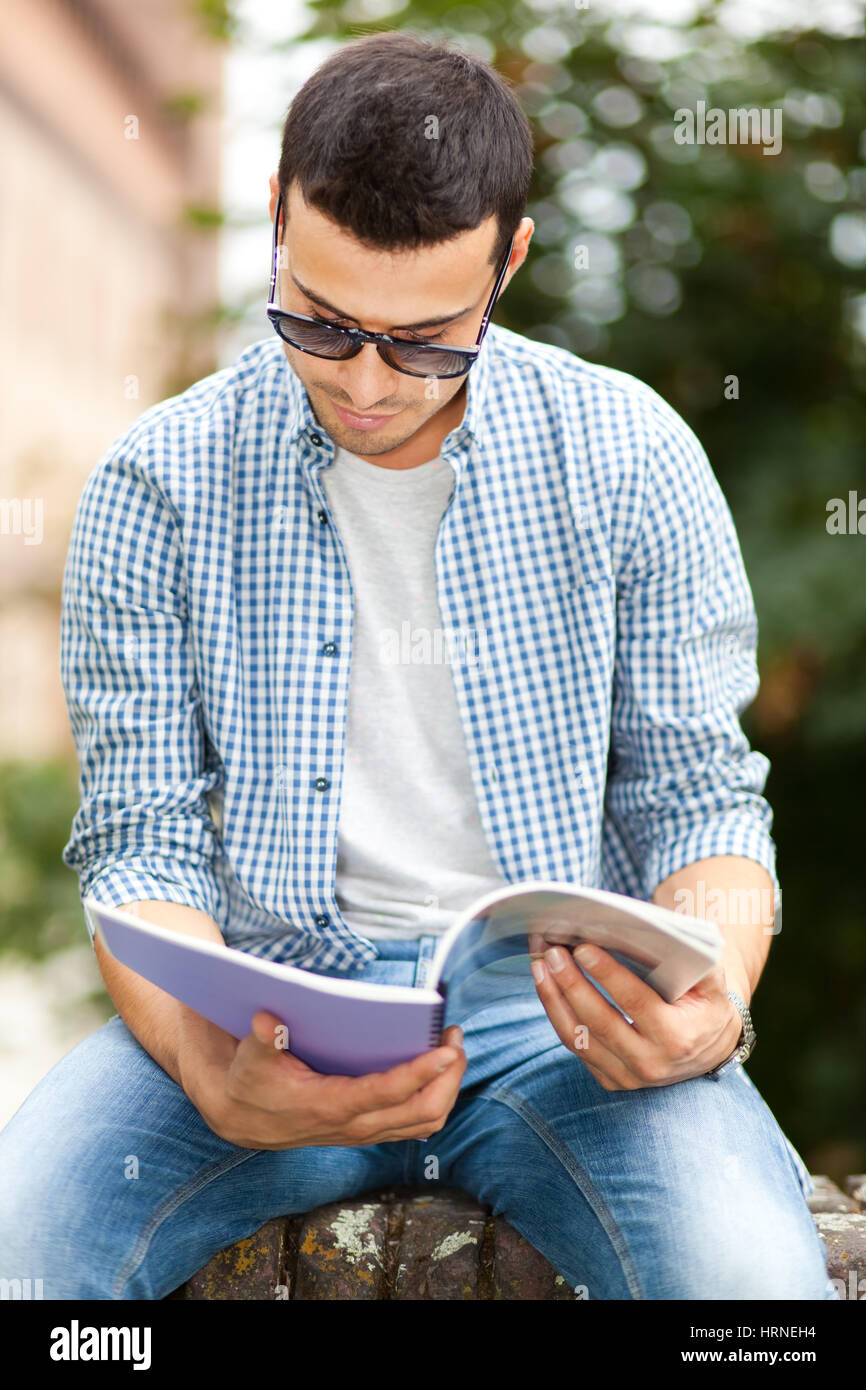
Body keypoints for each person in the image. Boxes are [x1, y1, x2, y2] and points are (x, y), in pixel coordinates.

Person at [0, 30, 836, 1300]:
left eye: (426, 339)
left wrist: (715, 998)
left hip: (566, 1025)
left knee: (745, 1289)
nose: (366, 383)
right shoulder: (154, 488)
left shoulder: (630, 458)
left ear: (509, 260)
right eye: (319, 322)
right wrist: (200, 1057)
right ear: (275, 215)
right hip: (264, 1016)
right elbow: (142, 850)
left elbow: (697, 794)